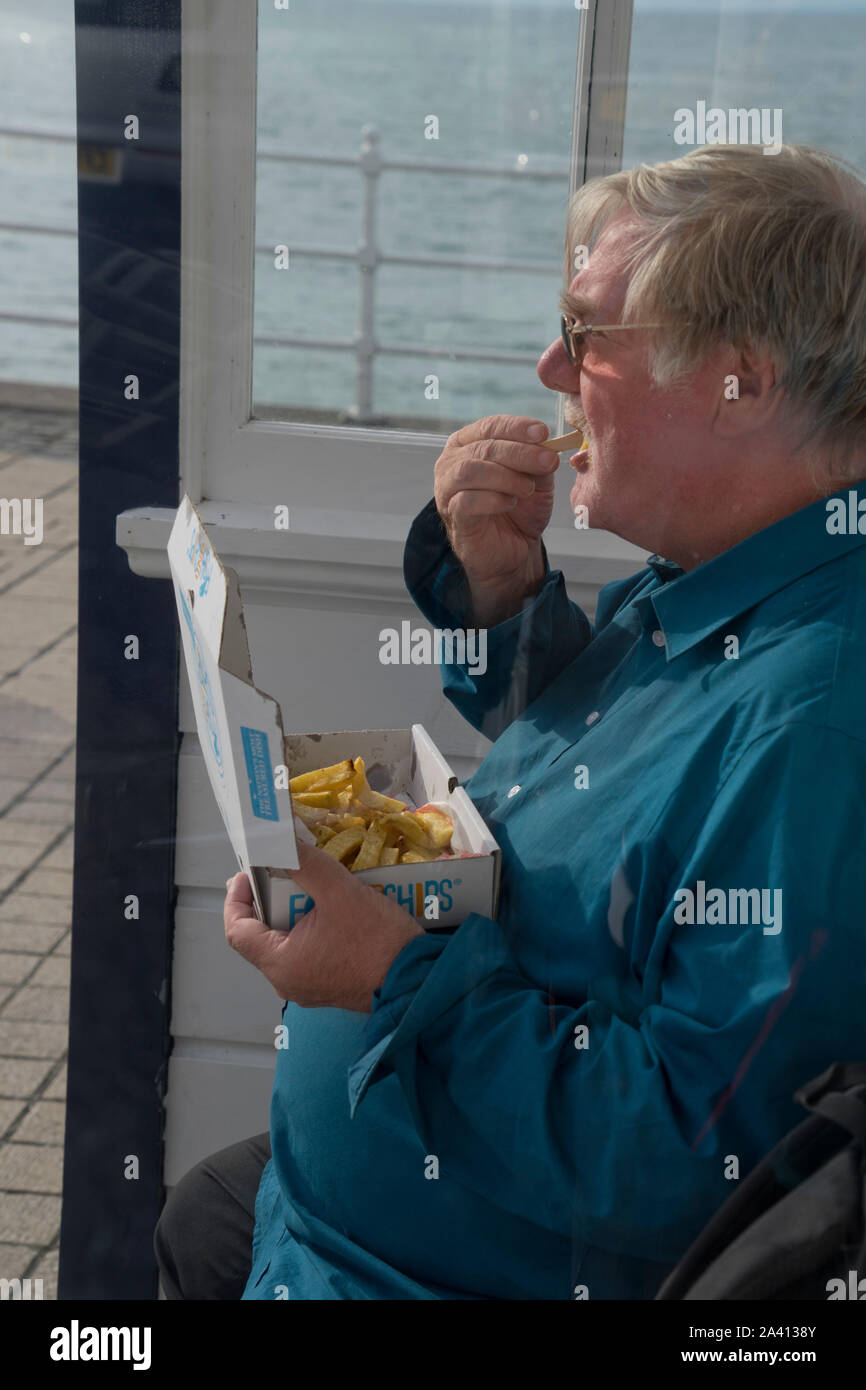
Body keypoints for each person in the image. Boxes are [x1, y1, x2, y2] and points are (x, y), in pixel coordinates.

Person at [155, 142, 866, 1300]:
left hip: (428, 1272)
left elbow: (700, 1164)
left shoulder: (820, 725)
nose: (548, 365)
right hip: (350, 1199)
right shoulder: (732, 572)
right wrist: (500, 600)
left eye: (586, 336)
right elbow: (619, 765)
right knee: (202, 1214)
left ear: (740, 382)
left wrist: (391, 976)